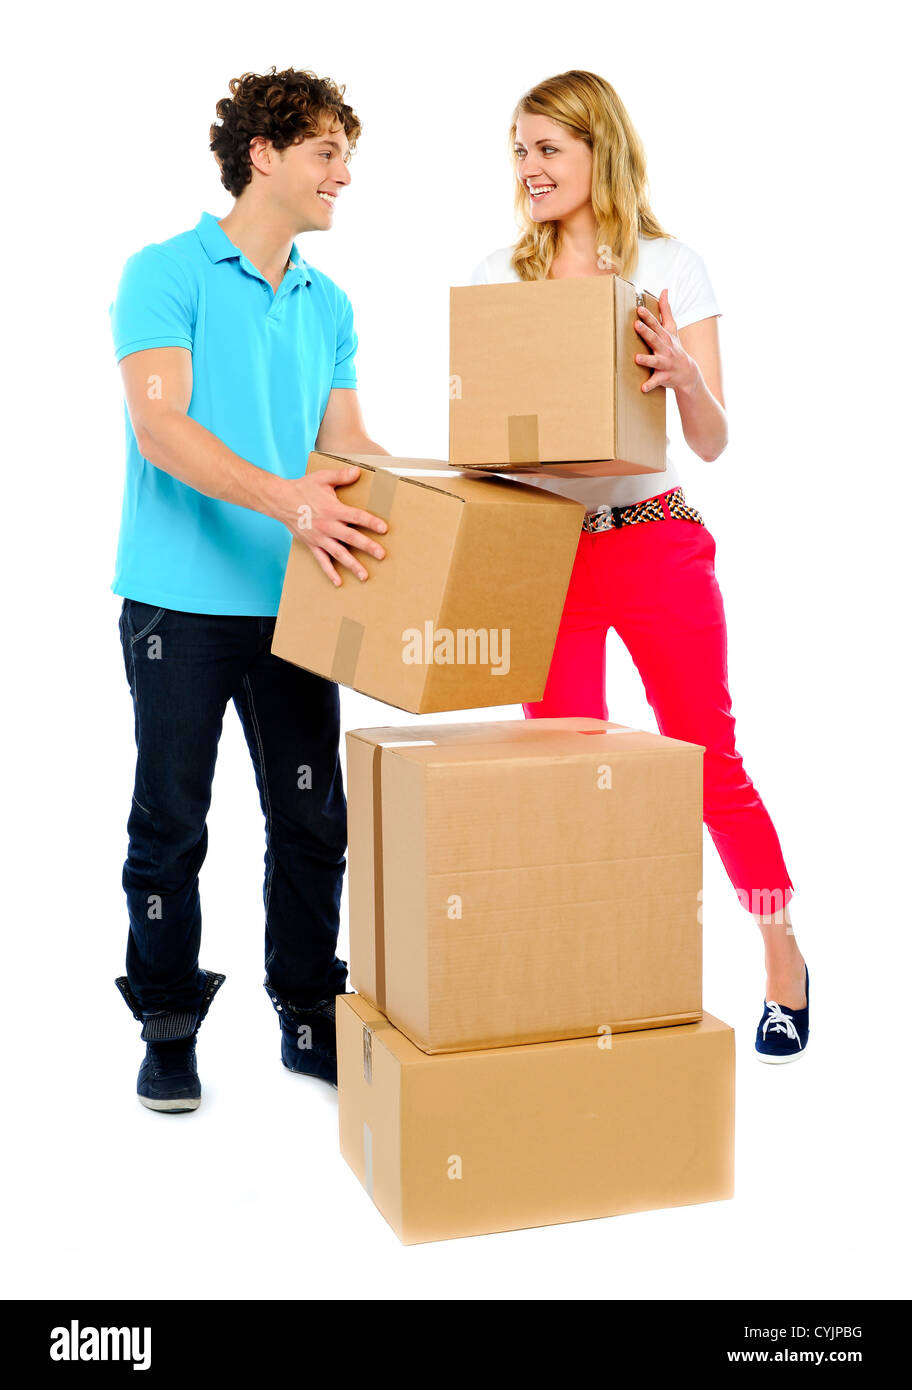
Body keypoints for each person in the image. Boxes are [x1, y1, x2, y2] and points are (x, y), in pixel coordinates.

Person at [470, 70, 809, 1062]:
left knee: (706, 761)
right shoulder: (504, 275)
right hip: (545, 557)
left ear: (598, 149)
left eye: (548, 149)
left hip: (654, 538)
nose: (530, 169)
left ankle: (781, 953)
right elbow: (492, 436)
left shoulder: (669, 265)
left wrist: (687, 378)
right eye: (520, 150)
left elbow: (707, 440)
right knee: (564, 777)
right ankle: (589, 985)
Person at [109, 66, 390, 1112]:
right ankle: (169, 1027)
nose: (344, 176)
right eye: (326, 151)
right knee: (171, 823)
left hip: (297, 604)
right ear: (263, 154)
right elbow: (162, 426)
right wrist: (292, 502)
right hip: (179, 607)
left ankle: (309, 1015)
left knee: (315, 821)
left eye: (346, 156)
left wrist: (460, 500)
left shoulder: (330, 303)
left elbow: (348, 447)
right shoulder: (164, 273)